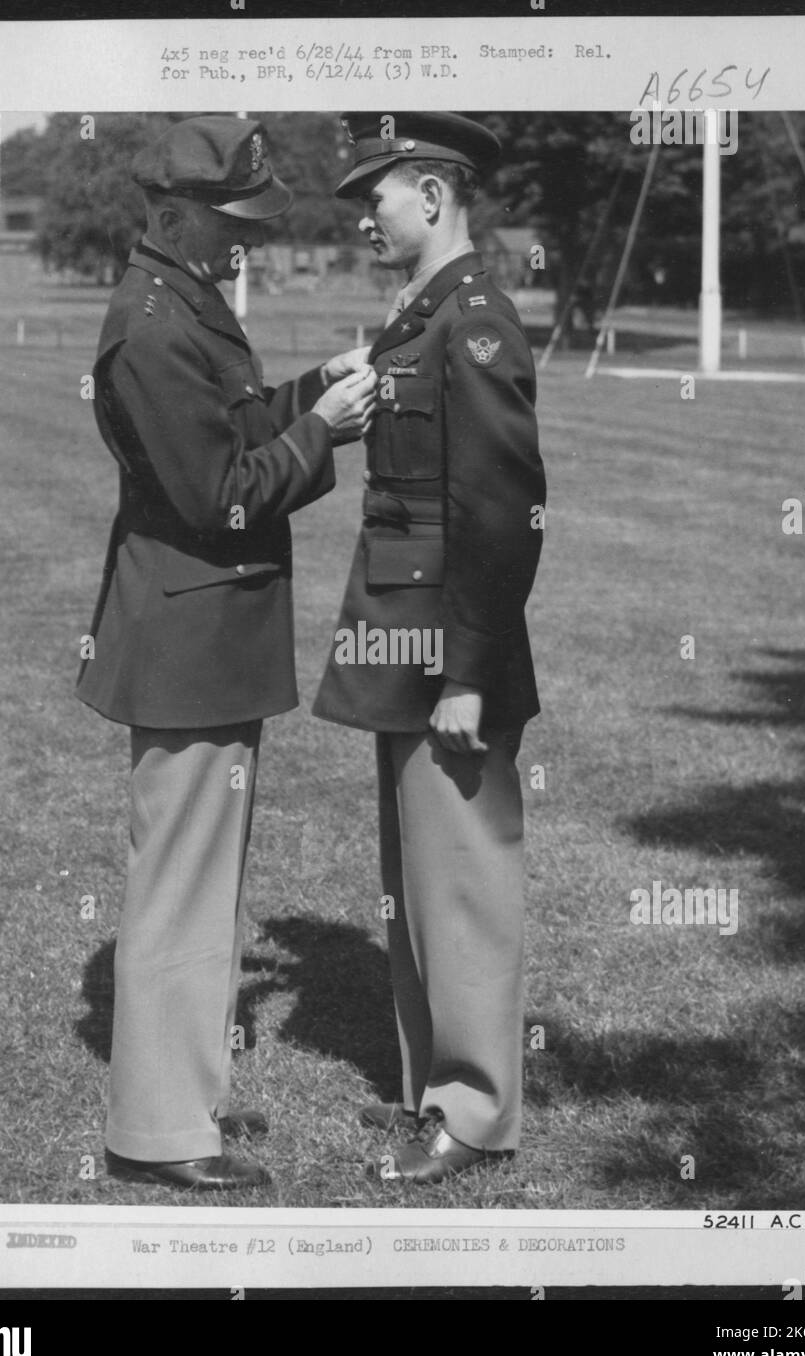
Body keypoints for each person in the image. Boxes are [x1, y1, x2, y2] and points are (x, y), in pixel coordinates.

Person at [77, 115, 374, 1192]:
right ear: (171, 214)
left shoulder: (179, 300)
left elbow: (228, 428)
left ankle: (174, 1111)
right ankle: (157, 1133)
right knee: (182, 890)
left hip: (204, 633)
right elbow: (221, 493)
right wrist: (325, 430)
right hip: (190, 635)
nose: (244, 238)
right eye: (230, 220)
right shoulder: (152, 325)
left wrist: (307, 394)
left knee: (199, 886)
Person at [313, 111, 546, 1185]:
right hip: (399, 631)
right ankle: (430, 1096)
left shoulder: (476, 322)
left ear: (436, 197)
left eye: (380, 193)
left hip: (444, 650)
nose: (366, 211)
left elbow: (499, 511)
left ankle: (474, 1112)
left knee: (461, 883)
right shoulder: (423, 316)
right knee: (415, 879)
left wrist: (467, 674)